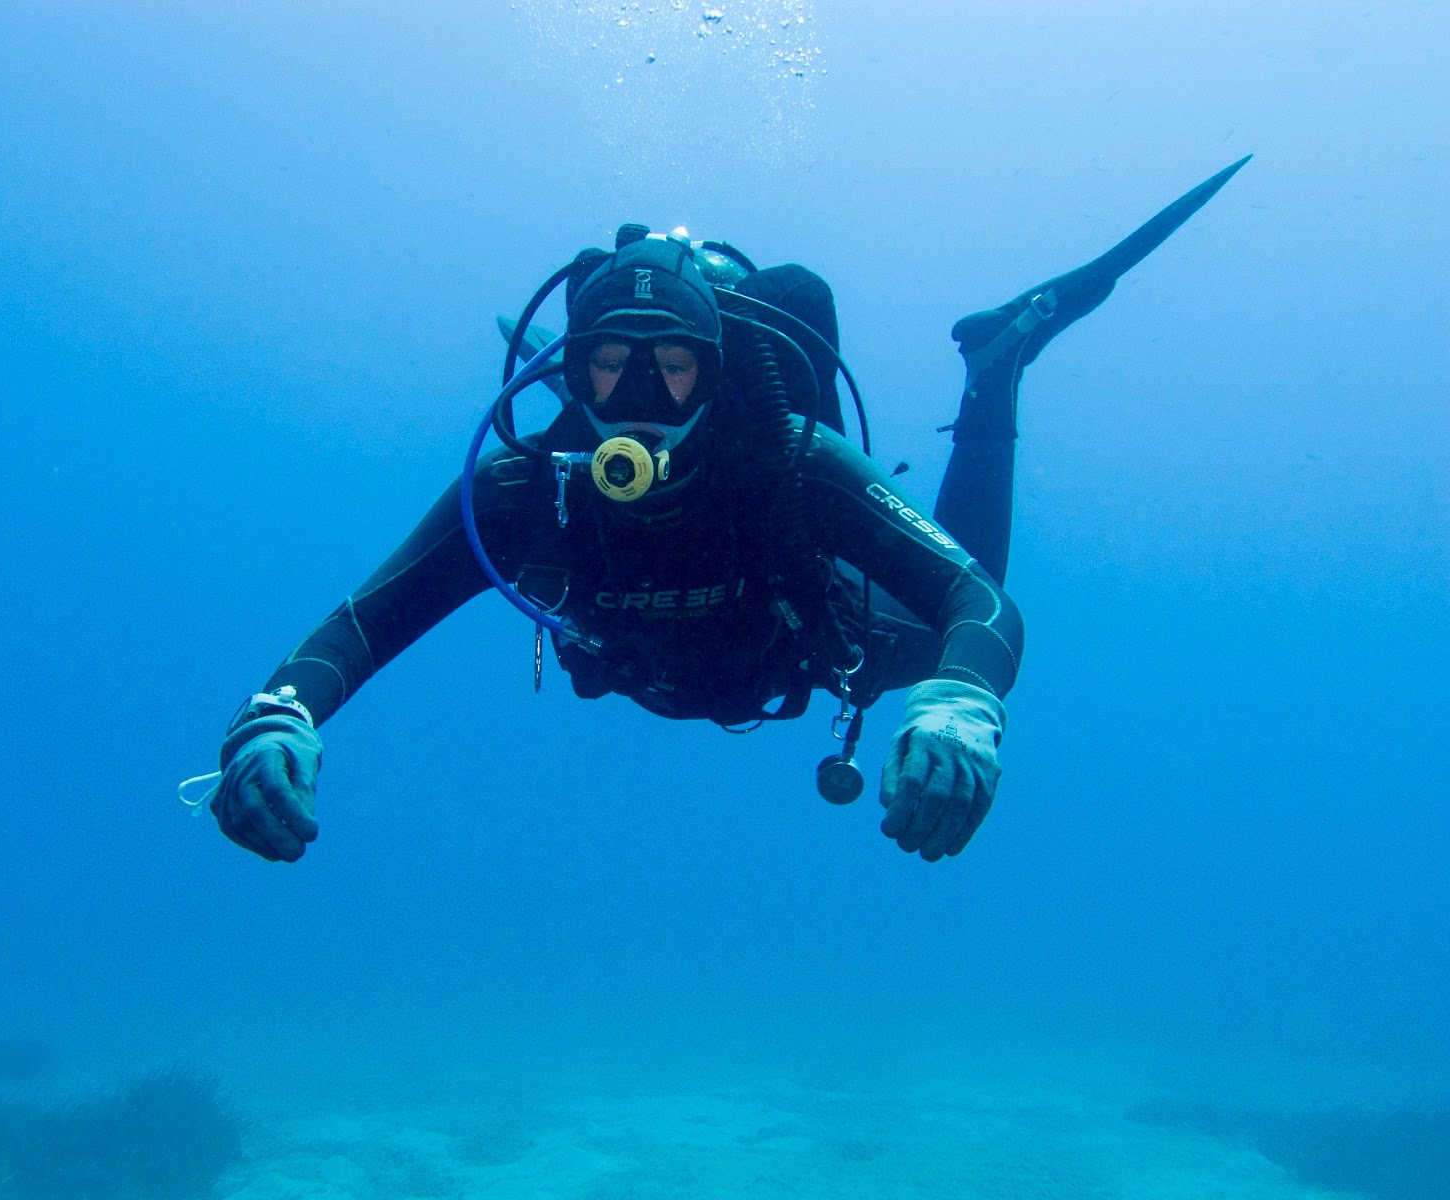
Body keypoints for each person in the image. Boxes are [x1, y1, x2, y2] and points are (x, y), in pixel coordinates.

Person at [192, 159, 1249, 866]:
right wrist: (275, 718)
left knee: (936, 642)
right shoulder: (527, 492)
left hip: (813, 646)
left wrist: (957, 709)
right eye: (610, 368)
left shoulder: (790, 462)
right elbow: (364, 623)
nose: (642, 402)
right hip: (679, 668)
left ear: (717, 372)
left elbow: (975, 597)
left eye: (673, 370)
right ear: (571, 378)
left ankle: (997, 364)